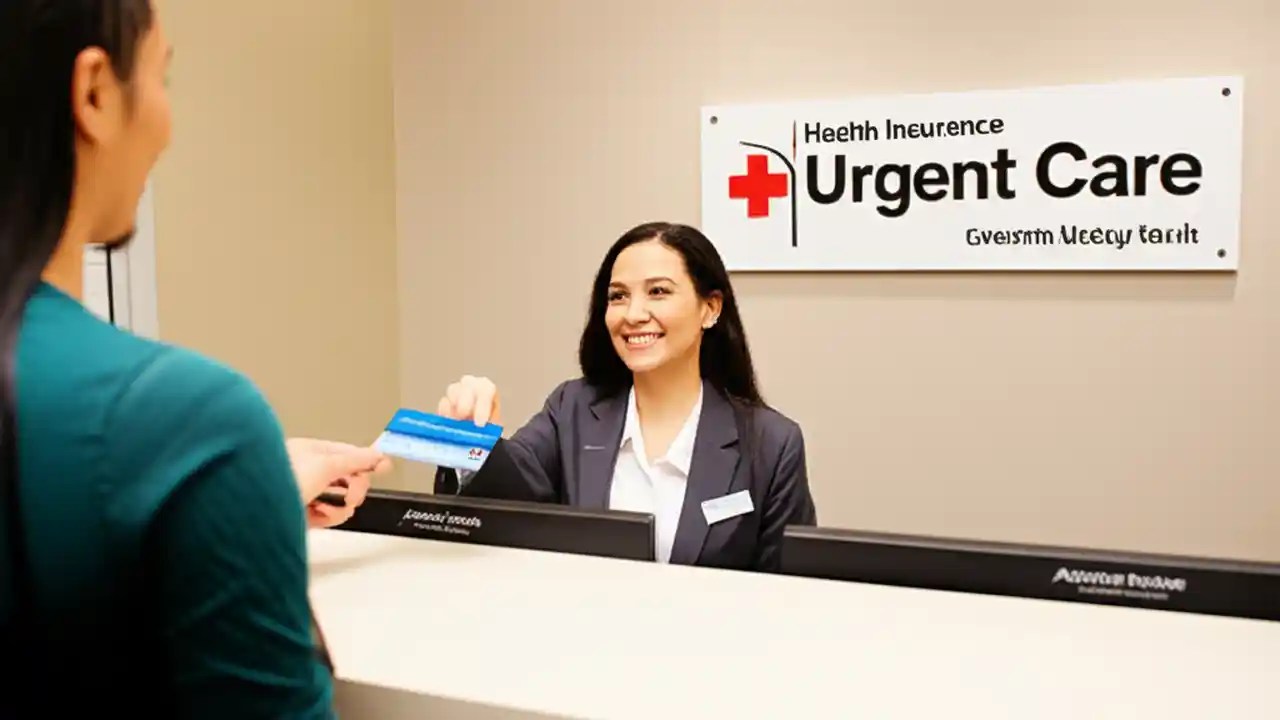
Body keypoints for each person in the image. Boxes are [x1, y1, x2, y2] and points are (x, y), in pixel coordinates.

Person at [0, 1, 389, 715]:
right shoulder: (187, 420)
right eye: (162, 78)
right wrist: (223, 480)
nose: (167, 127)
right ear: (94, 93)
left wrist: (249, 493)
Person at [435, 221, 817, 571]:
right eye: (618, 296)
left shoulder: (772, 443)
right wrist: (467, 440)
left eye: (658, 292)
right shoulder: (572, 409)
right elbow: (509, 492)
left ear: (710, 308)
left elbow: (790, 591)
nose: (633, 314)